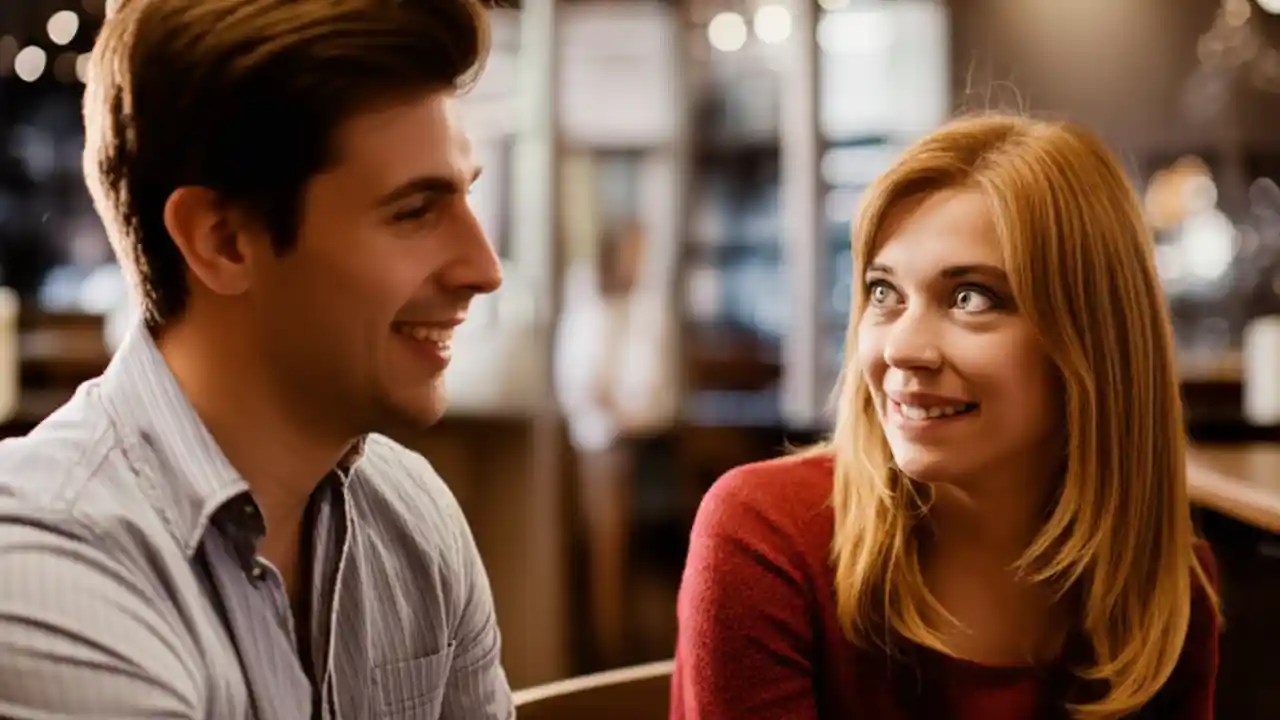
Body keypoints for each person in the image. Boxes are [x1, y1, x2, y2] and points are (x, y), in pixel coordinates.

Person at [0, 1, 512, 718]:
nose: (482, 268)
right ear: (223, 241)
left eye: (464, 196)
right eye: (414, 211)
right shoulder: (42, 569)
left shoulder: (413, 519)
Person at [671, 114, 1221, 719]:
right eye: (885, 294)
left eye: (970, 298)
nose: (901, 349)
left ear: (1093, 339)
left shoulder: (1167, 586)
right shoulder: (766, 537)